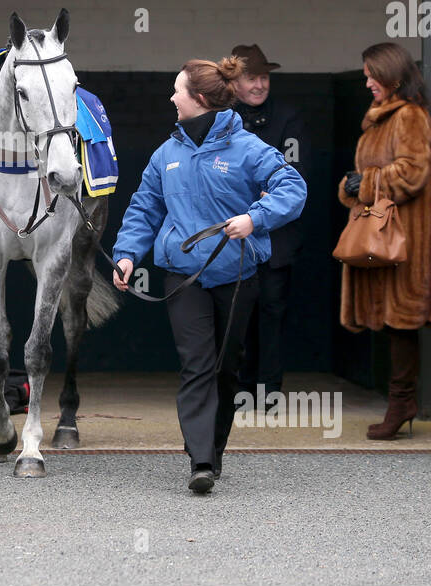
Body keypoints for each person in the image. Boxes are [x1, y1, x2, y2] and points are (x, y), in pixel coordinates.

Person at [112, 56, 307, 494]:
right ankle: (200, 459)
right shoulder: (167, 153)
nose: (171, 97)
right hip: (184, 278)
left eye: (177, 90)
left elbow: (293, 188)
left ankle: (213, 451)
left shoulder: (249, 148)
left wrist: (255, 219)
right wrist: (127, 255)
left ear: (198, 99)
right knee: (197, 363)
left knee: (225, 368)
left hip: (237, 274)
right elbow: (145, 207)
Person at [338, 43, 431, 440]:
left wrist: (364, 182)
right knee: (391, 322)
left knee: (402, 321)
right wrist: (354, 184)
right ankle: (399, 402)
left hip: (406, 240)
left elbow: (412, 172)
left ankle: (402, 402)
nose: (367, 82)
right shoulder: (383, 118)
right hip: (384, 233)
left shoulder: (410, 116)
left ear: (393, 76)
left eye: (371, 74)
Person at [230, 43, 308, 399]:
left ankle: (270, 389)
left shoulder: (287, 118)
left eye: (263, 77)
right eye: (251, 78)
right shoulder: (223, 117)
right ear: (234, 82)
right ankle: (242, 387)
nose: (259, 85)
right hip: (234, 238)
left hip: (277, 236)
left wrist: (265, 200)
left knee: (272, 311)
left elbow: (295, 176)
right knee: (238, 314)